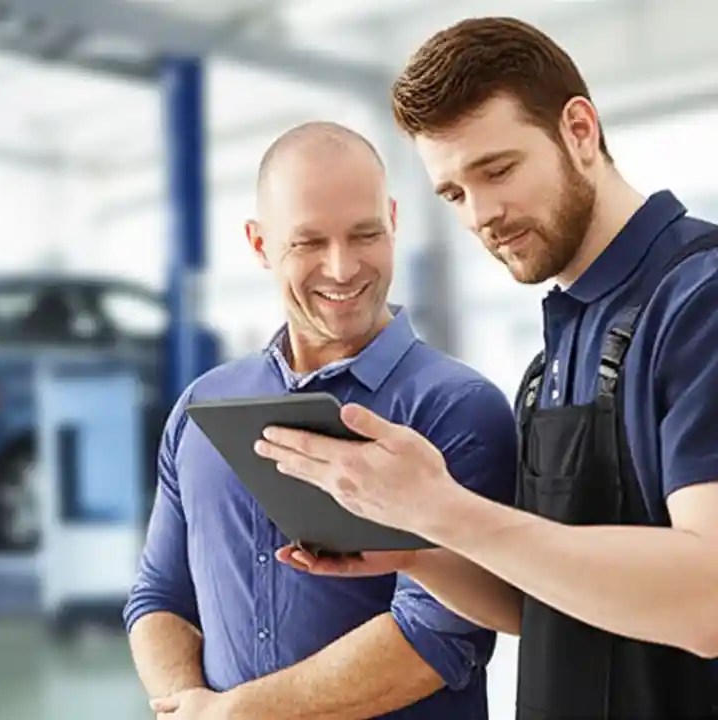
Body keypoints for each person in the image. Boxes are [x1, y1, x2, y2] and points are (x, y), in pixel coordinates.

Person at [256, 16, 718, 719]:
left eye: (497, 170)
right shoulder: (551, 356)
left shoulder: (698, 301)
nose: (481, 216)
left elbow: (708, 599)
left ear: (580, 131)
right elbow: (539, 604)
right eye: (453, 194)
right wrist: (415, 548)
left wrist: (447, 510)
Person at [123, 121, 519, 720]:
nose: (342, 268)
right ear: (259, 245)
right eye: (309, 243)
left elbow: (435, 637)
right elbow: (159, 598)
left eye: (365, 234)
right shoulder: (202, 410)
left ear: (392, 221)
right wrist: (192, 707)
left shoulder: (457, 408)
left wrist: (237, 714)